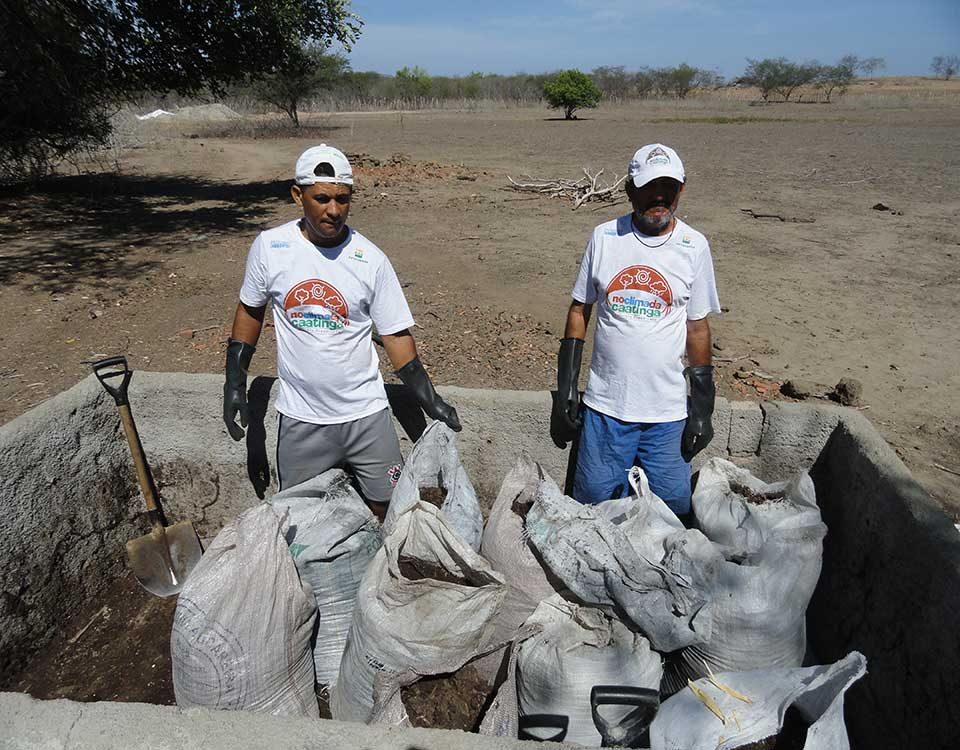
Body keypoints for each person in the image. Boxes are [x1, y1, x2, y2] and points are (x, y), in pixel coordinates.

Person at [223, 144, 460, 520]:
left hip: (366, 415)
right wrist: (234, 382)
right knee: (299, 516)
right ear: (297, 195)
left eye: (342, 199)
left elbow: (396, 336)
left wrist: (431, 400)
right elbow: (250, 311)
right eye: (321, 199)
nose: (333, 210)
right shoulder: (271, 248)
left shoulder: (370, 259)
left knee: (390, 508)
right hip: (301, 418)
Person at [550, 143, 720, 522]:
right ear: (630, 190)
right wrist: (567, 388)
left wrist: (702, 408)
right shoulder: (605, 238)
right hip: (606, 411)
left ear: (681, 190)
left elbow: (697, 328)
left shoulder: (694, 246)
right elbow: (579, 310)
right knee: (592, 510)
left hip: (667, 415)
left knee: (672, 513)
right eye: (649, 188)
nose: (659, 197)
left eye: (668, 188)